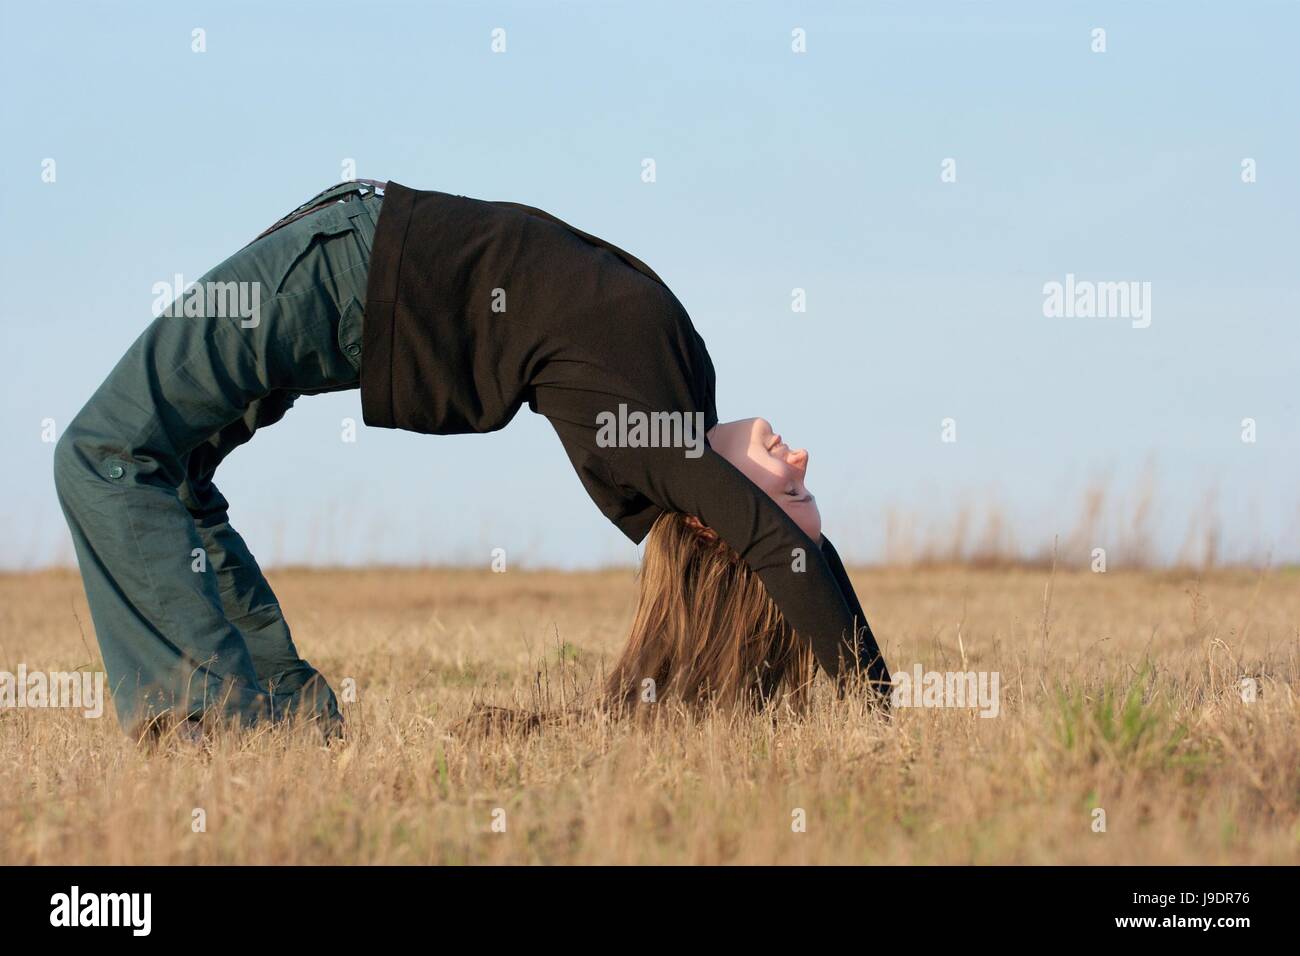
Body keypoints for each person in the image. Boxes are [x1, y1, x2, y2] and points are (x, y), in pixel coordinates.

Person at [53, 180, 891, 739]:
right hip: (348, 279)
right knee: (173, 470)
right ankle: (290, 725)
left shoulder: (660, 451)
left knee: (104, 452)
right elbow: (781, 546)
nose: (799, 458)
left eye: (794, 491)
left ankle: (219, 729)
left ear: (723, 525)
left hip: (345, 278)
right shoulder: (679, 399)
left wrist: (876, 702)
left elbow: (777, 548)